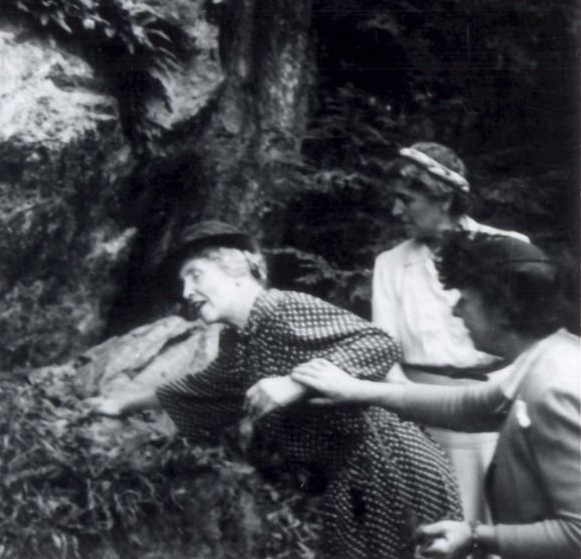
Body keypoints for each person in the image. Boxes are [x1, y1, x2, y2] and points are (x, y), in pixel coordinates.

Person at [91, 220, 462, 559]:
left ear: (236, 270)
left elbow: (379, 344)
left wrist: (296, 382)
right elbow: (198, 389)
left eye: (196, 275)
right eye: (183, 283)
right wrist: (124, 403)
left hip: (392, 466)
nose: (187, 291)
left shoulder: (284, 310)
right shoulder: (238, 343)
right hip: (349, 483)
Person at [293, 231, 580, 559]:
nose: (456, 312)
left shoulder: (554, 388)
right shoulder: (546, 357)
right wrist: (354, 389)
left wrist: (475, 535)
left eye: (466, 300)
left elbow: (578, 535)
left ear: (503, 309)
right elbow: (467, 406)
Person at [371, 142, 529, 522]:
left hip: (498, 413)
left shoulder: (508, 249)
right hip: (424, 420)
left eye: (407, 199)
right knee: (437, 529)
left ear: (442, 198)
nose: (396, 211)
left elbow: (530, 338)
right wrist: (408, 420)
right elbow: (385, 352)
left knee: (504, 527)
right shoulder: (390, 265)